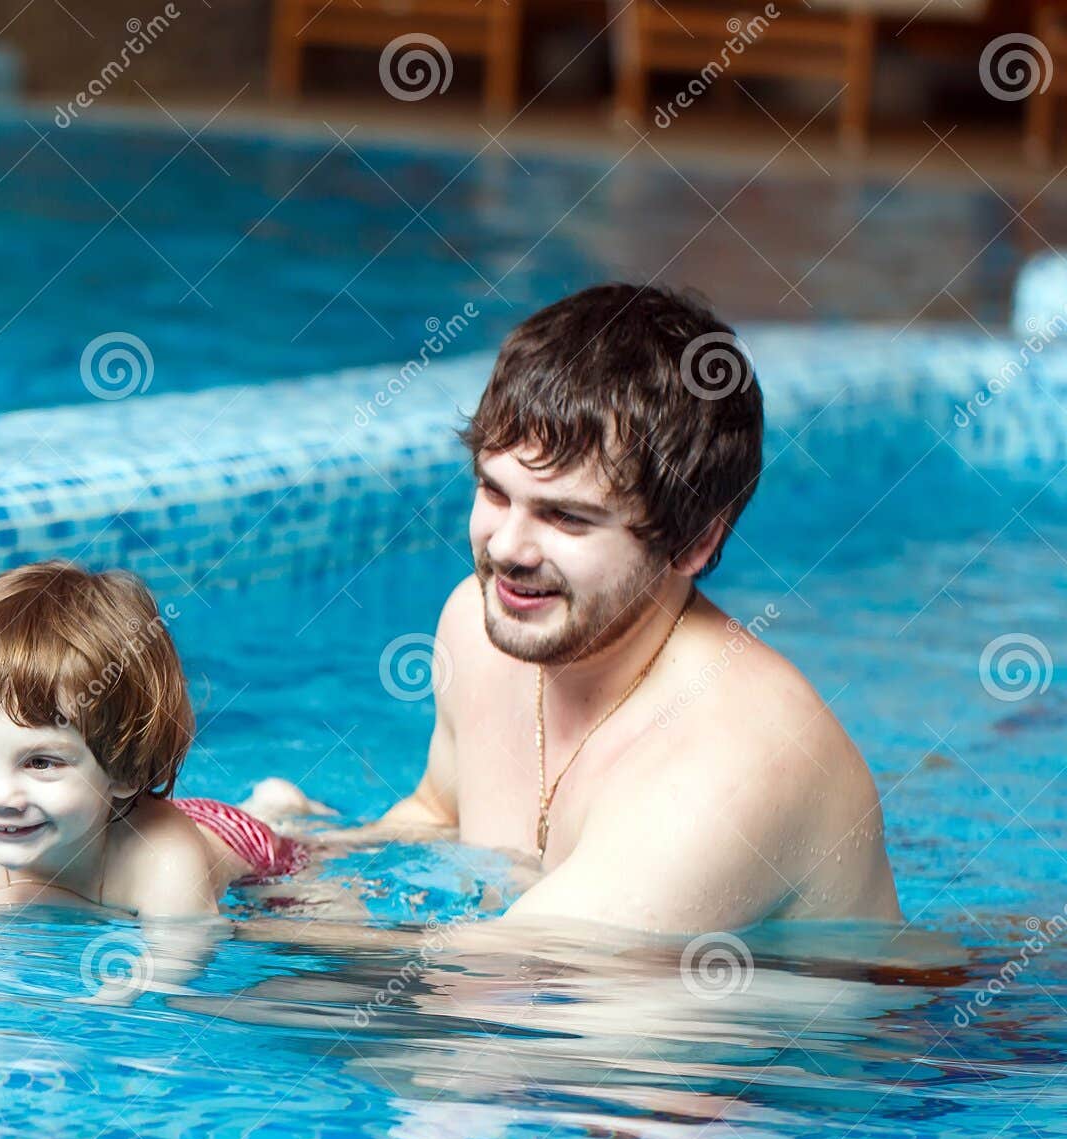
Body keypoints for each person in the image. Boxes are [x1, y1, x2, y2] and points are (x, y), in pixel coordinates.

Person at [291, 282, 902, 937]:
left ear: (694, 542)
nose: (506, 548)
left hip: (866, 1036)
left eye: (565, 517)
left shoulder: (731, 765)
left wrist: (244, 927)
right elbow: (440, 810)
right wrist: (295, 853)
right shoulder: (476, 627)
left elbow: (509, 993)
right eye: (495, 492)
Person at [0, 562, 308, 917]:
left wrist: (36, 900)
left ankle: (315, 820)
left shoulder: (165, 857)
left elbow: (177, 966)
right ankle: (274, 802)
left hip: (241, 843)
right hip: (129, 817)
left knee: (307, 910)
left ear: (124, 771)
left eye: (40, 763)